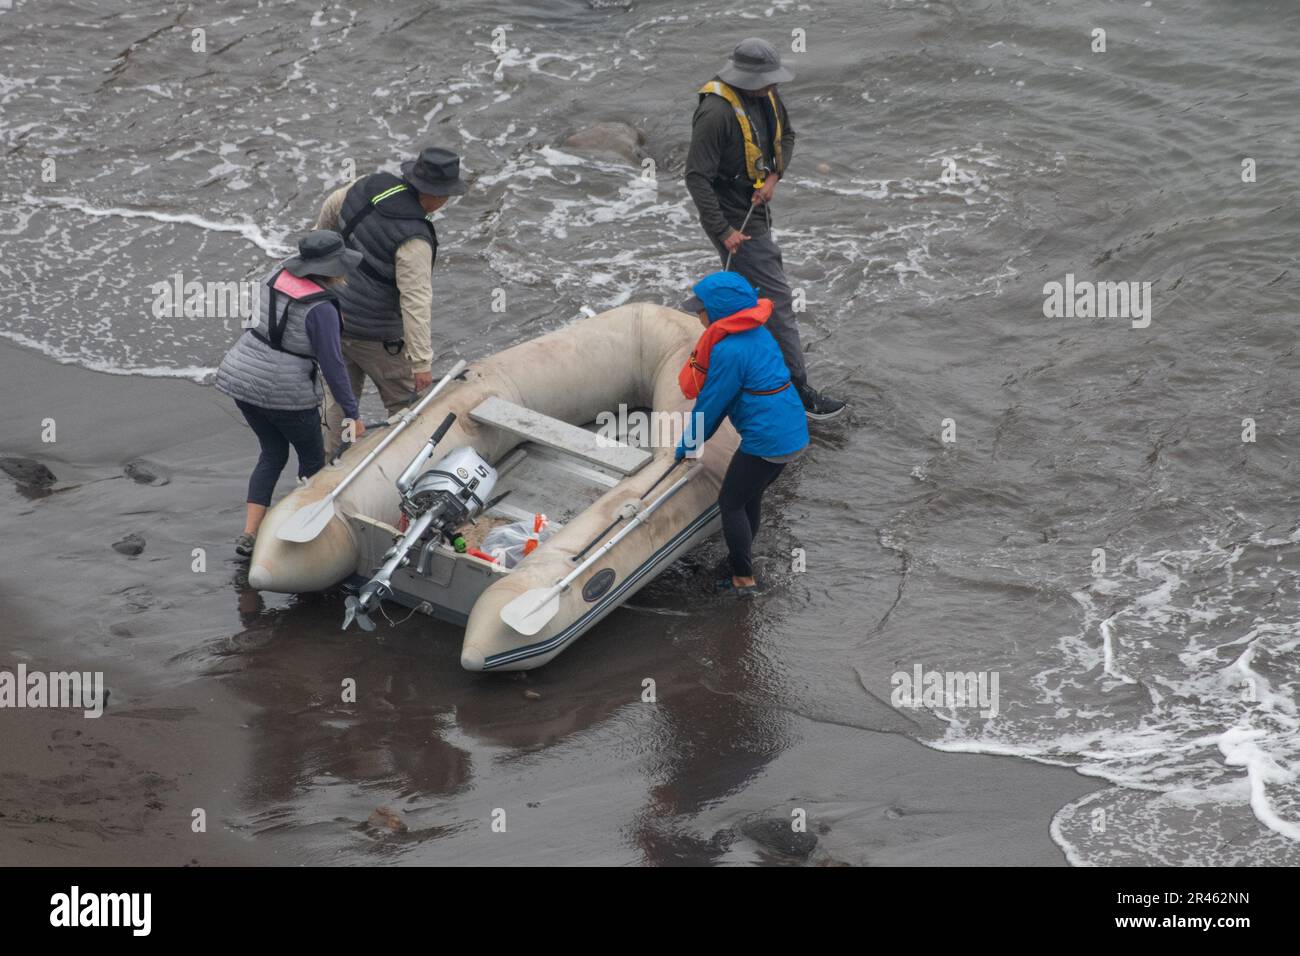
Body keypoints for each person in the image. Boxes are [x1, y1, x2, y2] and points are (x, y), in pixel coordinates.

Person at [685, 37, 847, 422]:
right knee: (777, 298)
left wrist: (774, 176)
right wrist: (724, 231)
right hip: (729, 212)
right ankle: (797, 390)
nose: (775, 86)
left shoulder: (766, 96)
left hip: (755, 202)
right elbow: (695, 177)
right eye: (768, 80)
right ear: (745, 79)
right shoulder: (716, 114)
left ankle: (744, 373)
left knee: (753, 290)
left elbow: (786, 137)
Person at [215, 231, 365, 557]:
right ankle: (305, 536)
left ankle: (250, 533)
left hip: (241, 375)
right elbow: (333, 365)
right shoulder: (321, 308)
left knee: (272, 453)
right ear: (330, 267)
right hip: (287, 392)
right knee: (312, 462)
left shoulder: (275, 275)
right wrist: (353, 412)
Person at [314, 146, 468, 455]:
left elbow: (331, 209)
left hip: (334, 317)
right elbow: (416, 301)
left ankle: (326, 468)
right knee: (405, 405)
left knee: (338, 400)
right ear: (436, 195)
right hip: (378, 336)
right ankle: (396, 470)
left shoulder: (367, 186)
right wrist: (422, 364)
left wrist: (322, 263)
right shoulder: (413, 239)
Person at [675, 271, 809, 596]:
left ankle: (742, 579)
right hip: (792, 431)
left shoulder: (729, 351)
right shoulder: (758, 334)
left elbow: (711, 405)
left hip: (768, 439)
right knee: (751, 494)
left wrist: (686, 446)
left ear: (719, 311)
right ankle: (743, 557)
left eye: (701, 308)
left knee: (731, 502)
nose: (697, 313)